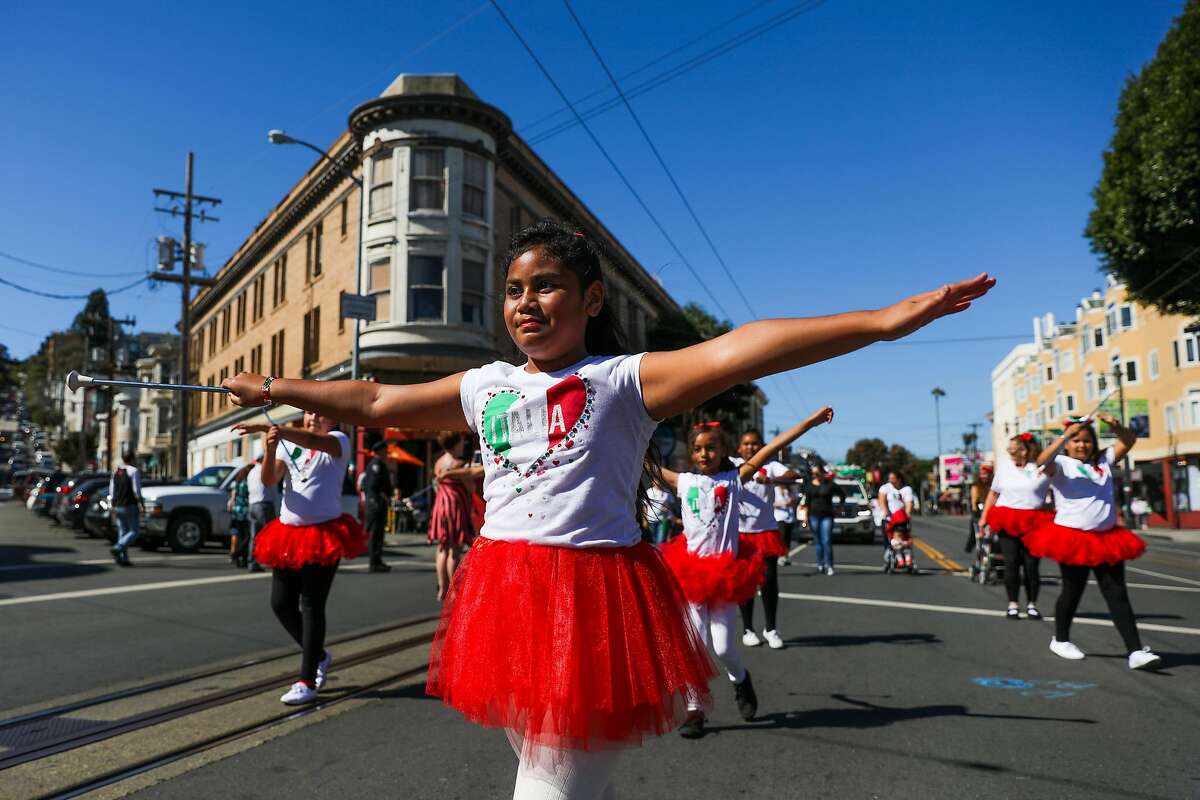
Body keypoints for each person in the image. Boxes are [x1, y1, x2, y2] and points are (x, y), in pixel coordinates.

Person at [223, 218, 993, 798]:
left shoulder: (626, 381)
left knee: (548, 787)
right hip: (504, 598)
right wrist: (270, 389)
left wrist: (887, 321)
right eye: (515, 290)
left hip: (590, 603)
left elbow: (750, 346)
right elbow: (376, 396)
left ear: (591, 299)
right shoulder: (487, 384)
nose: (527, 303)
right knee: (548, 768)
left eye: (547, 286)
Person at [660, 408, 833, 738]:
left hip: (725, 575)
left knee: (724, 648)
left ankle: (741, 681)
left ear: (723, 450)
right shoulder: (684, 482)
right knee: (695, 645)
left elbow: (774, 446)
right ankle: (695, 710)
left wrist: (809, 422)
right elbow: (643, 462)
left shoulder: (734, 479)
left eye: (710, 447)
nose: (703, 454)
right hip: (691, 575)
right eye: (697, 449)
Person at [232, 413, 367, 704]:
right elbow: (270, 480)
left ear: (332, 420)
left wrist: (273, 429)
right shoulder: (288, 443)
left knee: (311, 605)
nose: (313, 417)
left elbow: (313, 440)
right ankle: (318, 655)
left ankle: (307, 680)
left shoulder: (338, 441)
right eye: (308, 411)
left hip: (323, 534)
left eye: (319, 412)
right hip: (288, 533)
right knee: (280, 603)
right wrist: (269, 446)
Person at [1023, 415, 1161, 669]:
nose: (1081, 445)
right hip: (1073, 537)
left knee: (1117, 594)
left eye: (1086, 441)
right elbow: (1041, 461)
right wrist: (1065, 435)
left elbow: (1129, 441)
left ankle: (1135, 651)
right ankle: (1060, 639)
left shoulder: (1104, 460)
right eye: (1076, 441)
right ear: (1068, 443)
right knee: (1072, 591)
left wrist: (1116, 427)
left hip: (1107, 537)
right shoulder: (1061, 462)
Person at [732, 429, 800, 650]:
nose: (750, 447)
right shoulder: (732, 464)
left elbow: (793, 476)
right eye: (746, 443)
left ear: (762, 447)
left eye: (755, 444)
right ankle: (748, 629)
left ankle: (771, 629)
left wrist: (770, 479)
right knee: (745, 581)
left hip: (766, 531)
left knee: (769, 580)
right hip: (740, 532)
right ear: (739, 447)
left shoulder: (770, 465)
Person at [980, 433, 1051, 619]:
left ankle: (1032, 604)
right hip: (1007, 518)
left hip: (1034, 521)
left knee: (1031, 565)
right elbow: (993, 495)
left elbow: (1057, 491)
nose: (1011, 452)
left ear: (1026, 450)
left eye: (1015, 448)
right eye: (1009, 449)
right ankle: (1013, 604)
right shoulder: (1004, 469)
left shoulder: (1041, 468)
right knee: (1010, 563)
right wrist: (983, 518)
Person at [428, 432, 484, 602]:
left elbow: (436, 483)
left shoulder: (438, 462)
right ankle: (453, 589)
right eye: (461, 441)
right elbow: (470, 487)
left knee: (442, 547)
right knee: (455, 548)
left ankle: (441, 586)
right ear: (456, 444)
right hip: (455, 504)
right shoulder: (460, 464)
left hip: (440, 504)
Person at [362, 435, 394, 573]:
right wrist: (383, 495)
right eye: (385, 451)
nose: (387, 453)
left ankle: (377, 560)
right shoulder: (376, 464)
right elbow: (373, 485)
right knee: (375, 533)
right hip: (375, 503)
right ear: (379, 451)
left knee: (379, 533)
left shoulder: (377, 464)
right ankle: (374, 562)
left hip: (376, 502)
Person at [805, 466, 845, 575]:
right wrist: (805, 517)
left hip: (827, 516)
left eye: (817, 473)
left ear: (822, 473)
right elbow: (807, 502)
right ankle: (820, 564)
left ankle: (830, 565)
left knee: (826, 540)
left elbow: (842, 494)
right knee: (818, 542)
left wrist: (839, 507)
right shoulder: (809, 485)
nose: (815, 476)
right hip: (814, 515)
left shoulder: (830, 484)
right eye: (813, 474)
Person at [108, 451, 144, 567]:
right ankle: (117, 547)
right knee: (134, 531)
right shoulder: (133, 471)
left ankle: (123, 558)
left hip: (118, 505)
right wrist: (140, 504)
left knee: (122, 532)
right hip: (130, 504)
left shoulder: (116, 471)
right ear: (132, 459)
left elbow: (112, 490)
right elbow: (136, 489)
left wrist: (113, 504)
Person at [246, 453, 278, 573]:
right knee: (270, 535)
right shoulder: (266, 470)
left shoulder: (251, 472)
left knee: (254, 537)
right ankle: (272, 561)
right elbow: (273, 487)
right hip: (264, 505)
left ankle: (252, 563)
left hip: (252, 505)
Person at [880, 471, 916, 570]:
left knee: (904, 539)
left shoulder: (906, 489)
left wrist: (907, 516)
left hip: (902, 520)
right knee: (890, 541)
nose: (891, 480)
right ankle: (892, 559)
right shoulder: (885, 488)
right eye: (889, 478)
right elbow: (882, 500)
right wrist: (886, 511)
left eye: (893, 478)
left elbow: (909, 503)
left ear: (899, 479)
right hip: (889, 519)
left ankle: (906, 560)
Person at [227, 463, 253, 568]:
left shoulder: (236, 483)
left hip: (236, 511)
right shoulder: (248, 483)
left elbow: (233, 497)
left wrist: (231, 505)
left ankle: (237, 556)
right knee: (247, 536)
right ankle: (238, 553)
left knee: (238, 534)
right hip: (245, 511)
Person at [773, 481, 799, 566]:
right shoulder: (776, 490)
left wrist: (792, 502)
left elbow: (795, 502)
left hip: (790, 517)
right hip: (780, 517)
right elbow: (771, 503)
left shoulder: (790, 491)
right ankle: (781, 556)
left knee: (787, 539)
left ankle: (786, 556)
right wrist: (783, 504)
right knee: (782, 537)